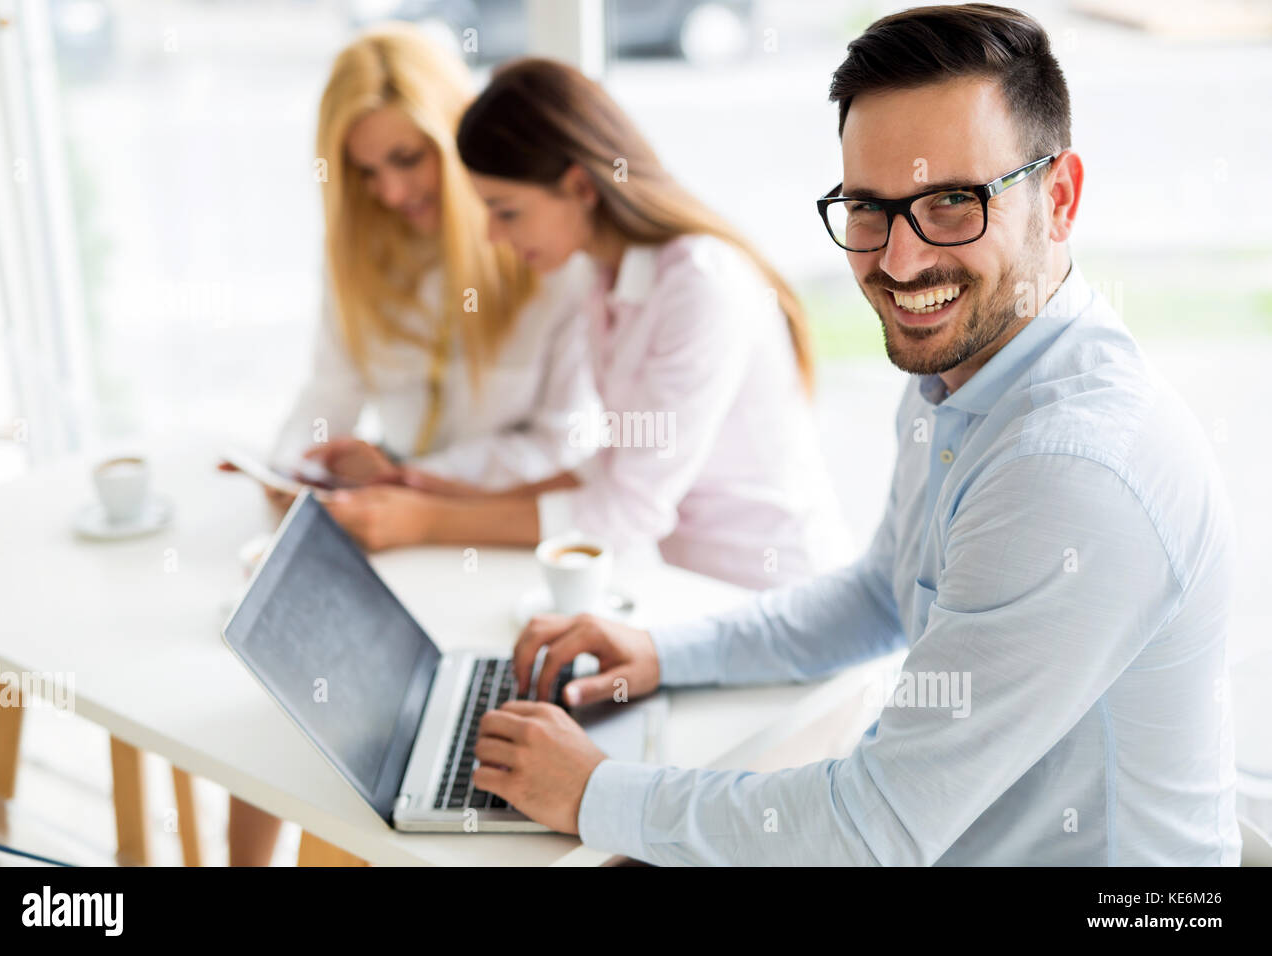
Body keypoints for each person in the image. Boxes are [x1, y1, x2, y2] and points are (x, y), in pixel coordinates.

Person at [470, 3, 1240, 865]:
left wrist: (593, 792)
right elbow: (882, 593)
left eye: (954, 203)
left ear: (1058, 199)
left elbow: (872, 829)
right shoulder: (967, 363)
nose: (901, 263)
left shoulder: (1071, 470)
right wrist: (657, 654)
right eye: (869, 209)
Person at [228, 24, 597, 866]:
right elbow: (325, 400)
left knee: (391, 751)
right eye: (365, 170)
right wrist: (296, 469)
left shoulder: (543, 255)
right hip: (396, 533)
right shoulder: (357, 253)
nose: (391, 190)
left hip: (500, 539)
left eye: (408, 157)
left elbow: (560, 445)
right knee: (272, 711)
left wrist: (414, 479)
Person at [329, 57, 854, 590]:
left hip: (777, 596)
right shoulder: (604, 276)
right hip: (697, 592)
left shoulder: (699, 284)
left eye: (505, 211)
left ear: (580, 187)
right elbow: (610, 469)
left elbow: (627, 511)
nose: (491, 235)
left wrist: (424, 522)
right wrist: (432, 490)